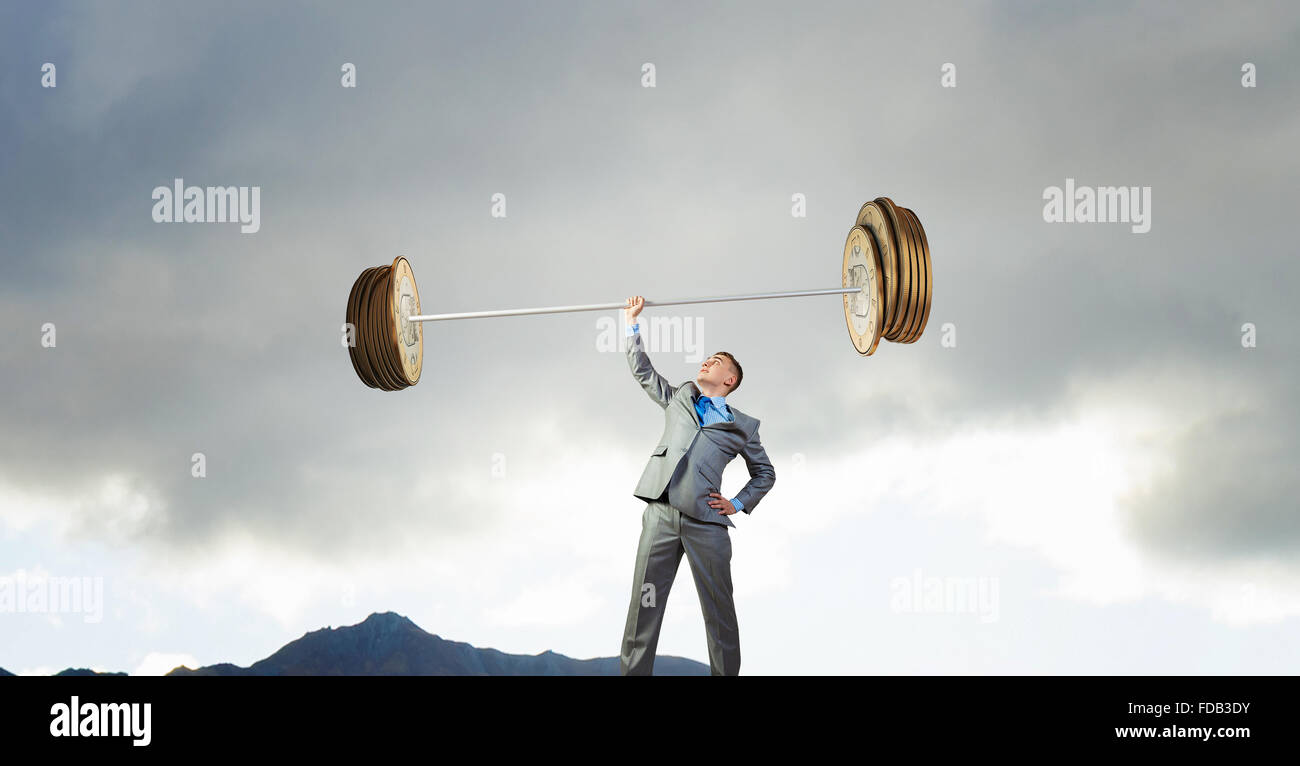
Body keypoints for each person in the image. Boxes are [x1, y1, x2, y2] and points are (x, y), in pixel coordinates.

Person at [619, 295, 775, 676]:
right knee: (644, 609)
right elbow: (642, 371)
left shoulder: (744, 426)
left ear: (729, 379)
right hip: (661, 514)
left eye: (716, 361)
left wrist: (736, 503)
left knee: (720, 615)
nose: (707, 361)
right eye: (706, 358)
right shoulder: (678, 399)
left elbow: (765, 473)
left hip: (707, 524)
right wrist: (632, 323)